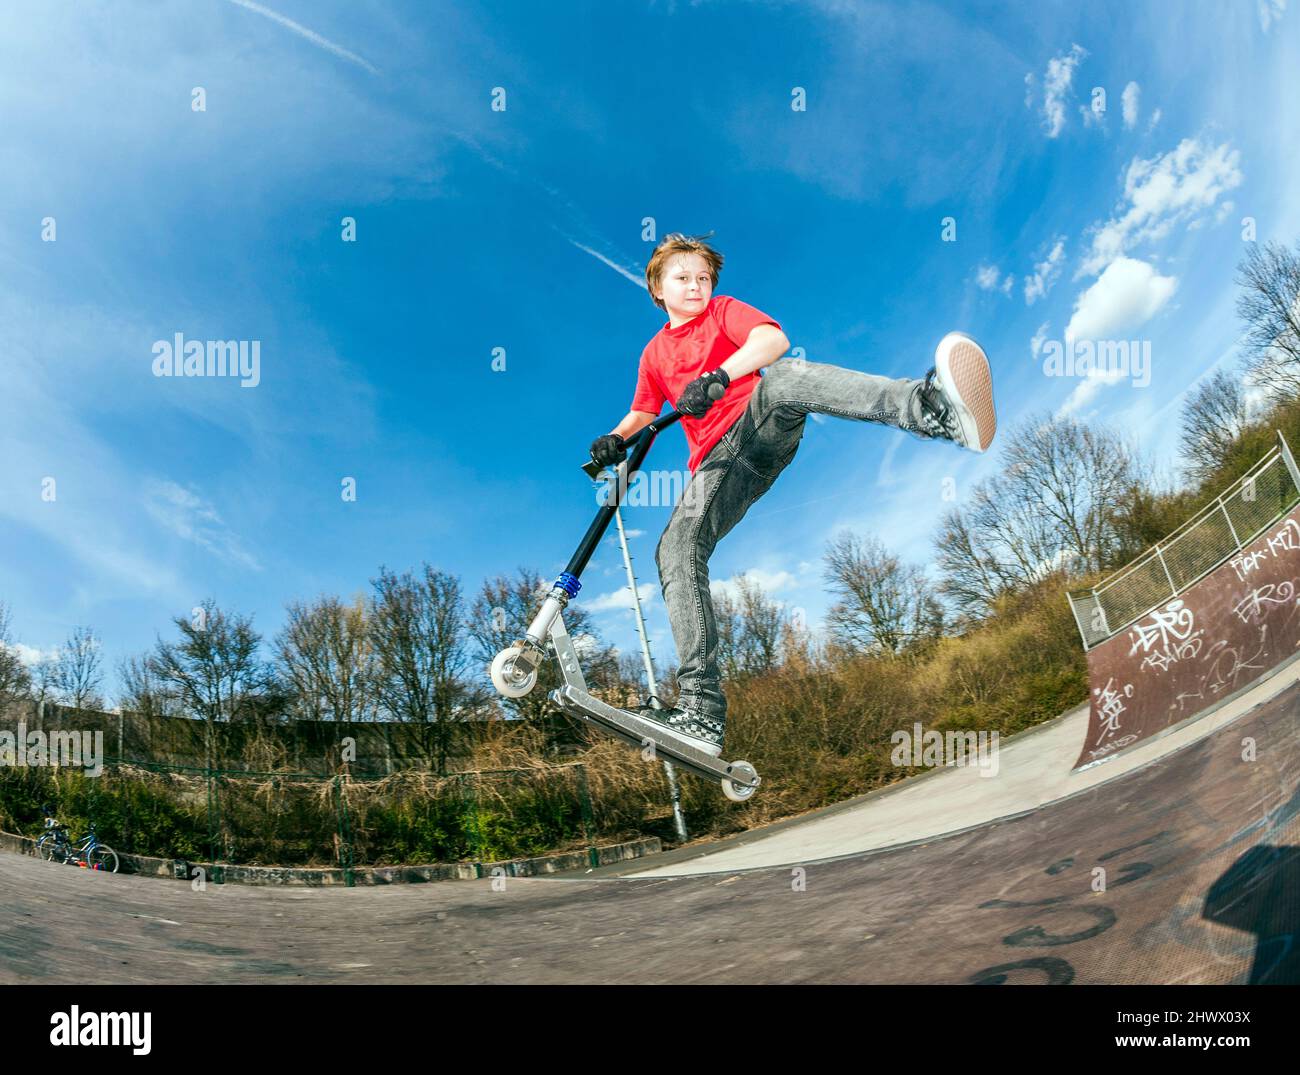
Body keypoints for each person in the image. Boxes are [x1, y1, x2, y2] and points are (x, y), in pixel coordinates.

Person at [589, 232, 996, 759]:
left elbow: (771, 343)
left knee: (781, 379)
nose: (695, 286)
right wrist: (615, 440)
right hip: (715, 467)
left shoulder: (722, 313)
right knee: (674, 548)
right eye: (682, 278)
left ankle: (928, 408)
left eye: (703, 278)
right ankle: (699, 712)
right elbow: (644, 413)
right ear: (657, 289)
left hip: (758, 427)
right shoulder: (654, 353)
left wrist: (719, 375)